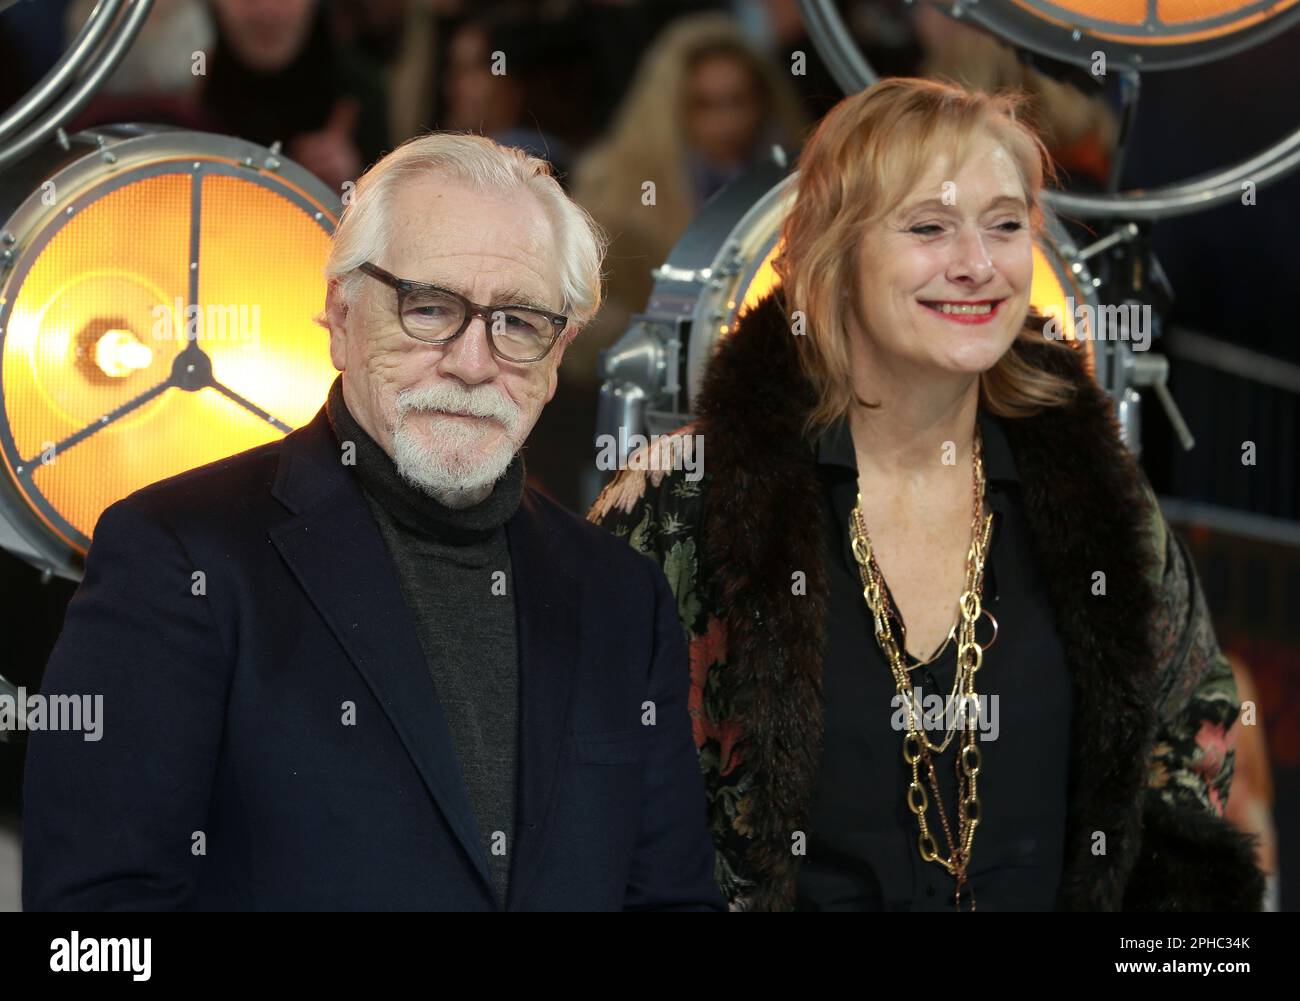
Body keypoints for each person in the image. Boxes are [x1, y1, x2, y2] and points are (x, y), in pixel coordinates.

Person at [589, 77, 1264, 912]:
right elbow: (599, 810)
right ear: (837, 251)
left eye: (1006, 225)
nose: (978, 264)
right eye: (929, 226)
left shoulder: (1096, 490)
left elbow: (1187, 741)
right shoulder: (688, 502)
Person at [23, 133, 723, 912]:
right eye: (429, 308)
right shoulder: (177, 557)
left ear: (559, 356)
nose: (471, 361)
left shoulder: (620, 596)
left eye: (518, 323)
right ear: (340, 312)